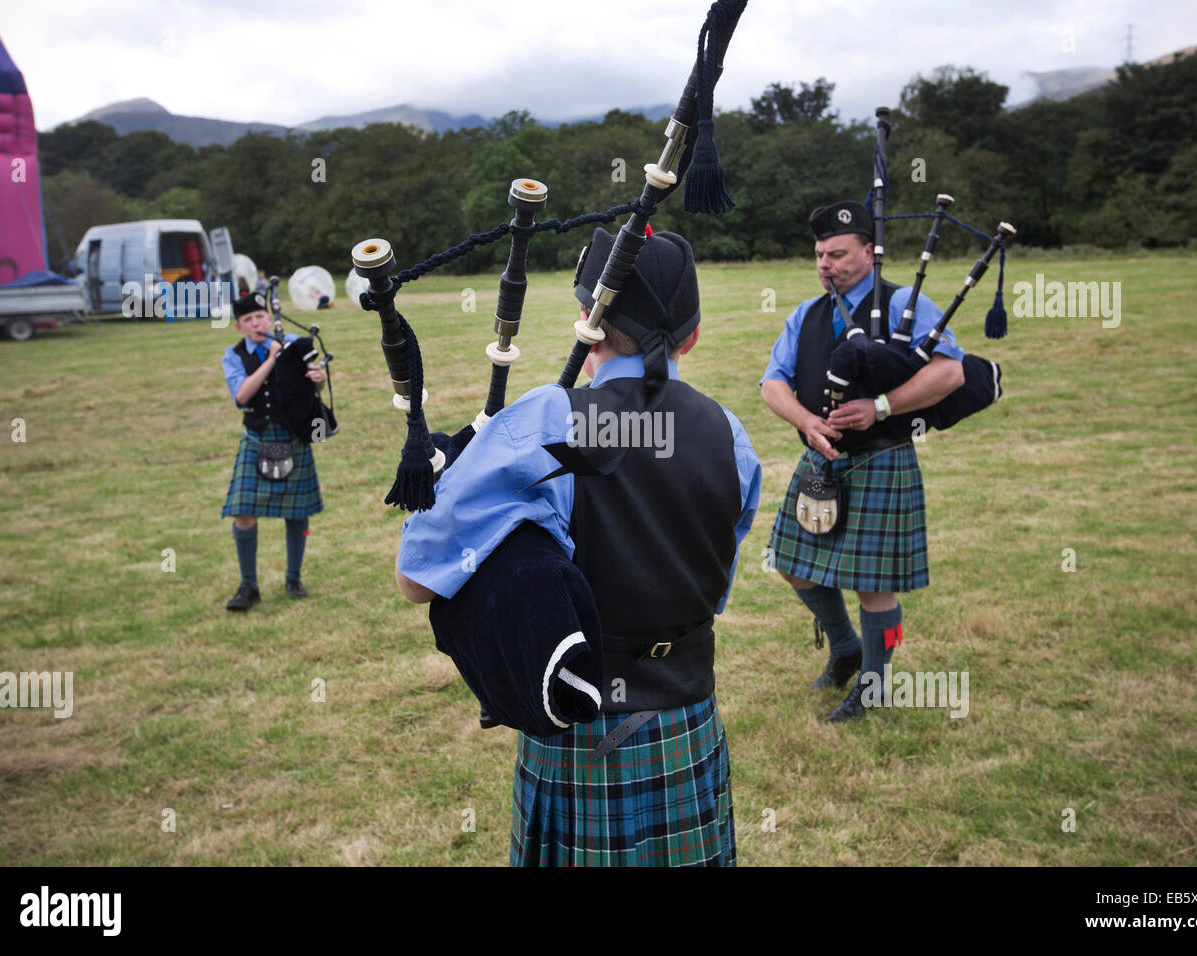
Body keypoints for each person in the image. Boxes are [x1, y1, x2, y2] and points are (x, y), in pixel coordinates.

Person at [396, 228, 761, 866]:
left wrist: (457, 471)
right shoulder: (731, 436)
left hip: (579, 722)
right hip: (688, 713)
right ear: (691, 337)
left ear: (587, 325)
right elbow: (713, 591)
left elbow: (418, 579)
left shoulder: (548, 419)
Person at [760, 201, 964, 723]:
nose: (825, 264)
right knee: (791, 566)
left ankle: (874, 685)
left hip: (881, 460)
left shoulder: (904, 304)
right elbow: (772, 382)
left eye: (837, 254)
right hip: (820, 459)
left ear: (869, 254)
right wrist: (806, 421)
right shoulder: (807, 313)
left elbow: (950, 373)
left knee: (875, 583)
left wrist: (881, 407)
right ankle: (846, 647)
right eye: (819, 255)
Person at [220, 292, 326, 610]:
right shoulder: (234, 355)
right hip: (257, 439)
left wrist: (319, 378)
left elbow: (314, 382)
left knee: (297, 512)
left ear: (269, 317)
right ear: (239, 326)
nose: (256, 323)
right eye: (248, 320)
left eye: (260, 316)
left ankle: (293, 579)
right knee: (242, 512)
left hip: (293, 437)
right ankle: (248, 586)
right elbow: (241, 395)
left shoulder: (293, 342)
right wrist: (270, 360)